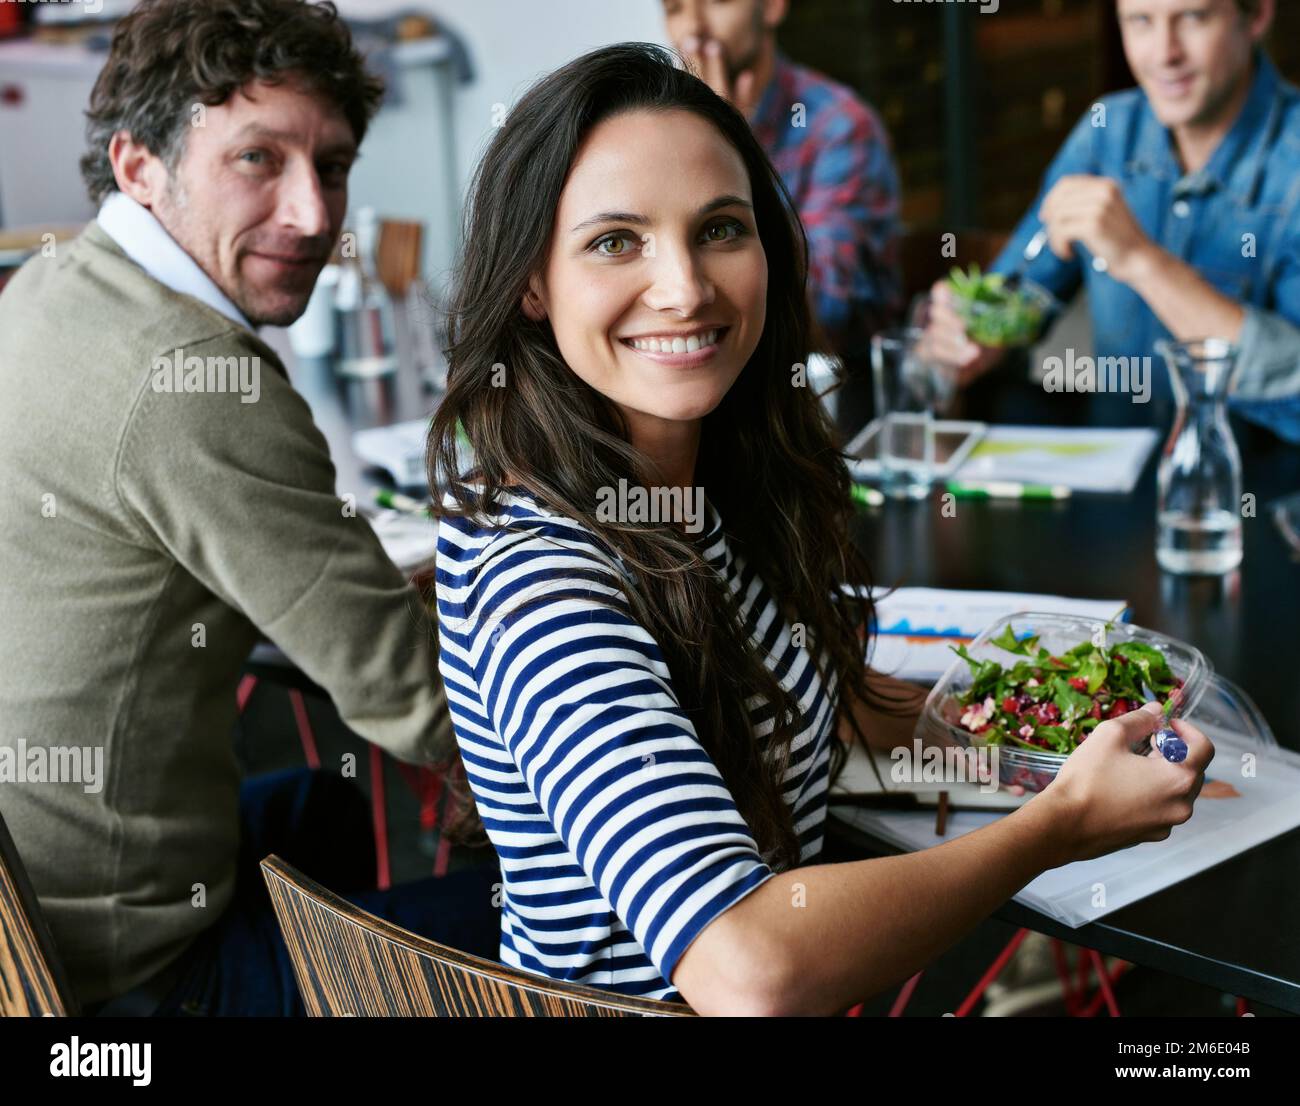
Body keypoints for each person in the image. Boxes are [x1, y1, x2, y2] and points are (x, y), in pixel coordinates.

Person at [426, 43, 1212, 1016]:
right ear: (531, 281)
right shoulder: (542, 575)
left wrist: (1060, 715)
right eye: (614, 241)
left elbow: (829, 698)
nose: (684, 287)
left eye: (718, 228)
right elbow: (750, 969)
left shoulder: (699, 483)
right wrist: (1060, 820)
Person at [0, 0, 496, 1017]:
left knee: (320, 803)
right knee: (576, 936)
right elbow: (415, 701)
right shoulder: (195, 382)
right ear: (140, 167)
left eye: (334, 166)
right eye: (257, 160)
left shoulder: (43, 286)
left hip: (26, 910)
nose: (314, 215)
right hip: (116, 980)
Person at [923, 0, 1300, 443]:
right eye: (1141, 20)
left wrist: (1140, 260)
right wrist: (966, 334)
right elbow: (1018, 298)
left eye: (1194, 18)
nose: (1164, 53)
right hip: (1119, 481)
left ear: (1256, 16)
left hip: (1264, 495)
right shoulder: (1109, 131)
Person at [662, 0, 902, 363]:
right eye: (674, 8)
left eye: (717, 2)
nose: (693, 28)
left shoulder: (840, 127)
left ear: (773, 6)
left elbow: (826, 311)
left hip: (830, 389)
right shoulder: (660, 127)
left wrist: (729, 151)